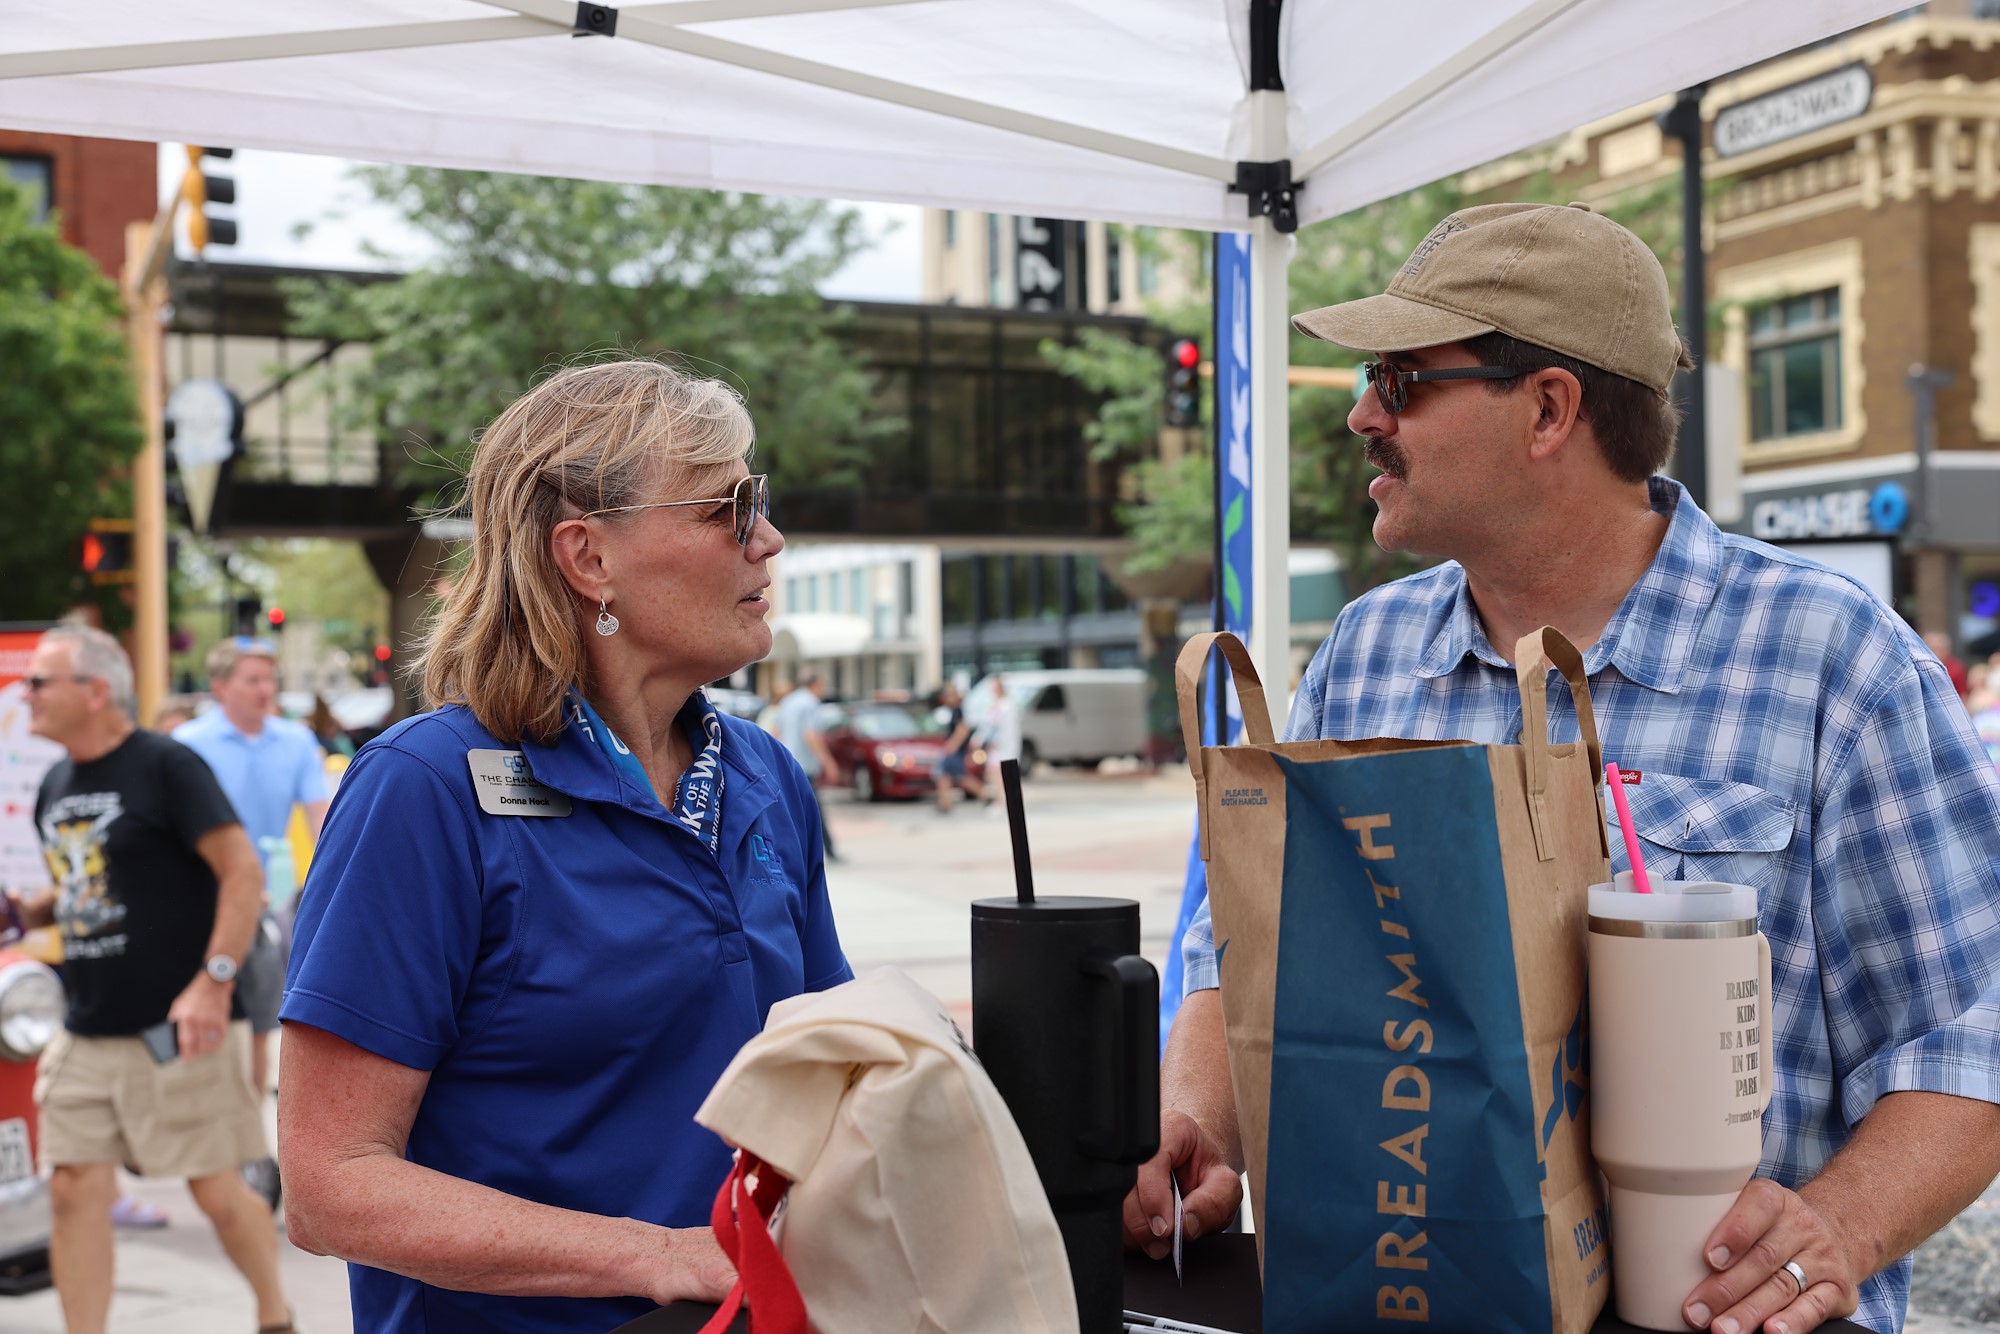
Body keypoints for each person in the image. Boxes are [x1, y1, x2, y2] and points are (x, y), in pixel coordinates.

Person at [1133, 204, 2000, 1334]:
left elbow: (1967, 1035)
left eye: (1398, 380)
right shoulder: (1362, 651)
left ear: (1548, 406)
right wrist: (1197, 1114)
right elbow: (1243, 943)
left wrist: (1839, 1223)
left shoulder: (1836, 658)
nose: (1358, 414)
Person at [277, 359, 852, 1333]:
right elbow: (331, 1184)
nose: (768, 537)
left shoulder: (762, 775)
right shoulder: (425, 788)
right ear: (588, 558)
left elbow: (833, 1070)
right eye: (727, 505)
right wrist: (657, 1253)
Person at [15, 624, 294, 1334]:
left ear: (96, 689)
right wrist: (27, 911)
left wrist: (214, 980)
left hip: (178, 1028)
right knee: (74, 1188)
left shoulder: (167, 767)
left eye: (42, 681)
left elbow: (242, 871)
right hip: (87, 1028)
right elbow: (89, 884)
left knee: (217, 1191)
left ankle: (274, 1313)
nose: (27, 692)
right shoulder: (57, 781)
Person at [175, 637, 330, 1211]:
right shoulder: (187, 746)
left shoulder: (295, 741)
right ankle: (198, 1137)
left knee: (263, 1025)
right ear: (219, 688)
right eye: (252, 680)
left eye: (270, 679)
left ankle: (248, 1148)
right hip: (195, 906)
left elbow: (323, 825)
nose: (266, 690)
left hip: (261, 905)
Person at [774, 670, 841, 860]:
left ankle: (790, 852)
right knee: (814, 809)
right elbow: (811, 735)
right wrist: (828, 761)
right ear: (816, 685)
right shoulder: (810, 703)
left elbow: (775, 730)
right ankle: (827, 851)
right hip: (803, 766)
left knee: (791, 810)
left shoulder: (788, 701)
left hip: (787, 764)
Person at [931, 683, 983, 813]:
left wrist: (952, 745)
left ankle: (985, 795)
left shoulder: (957, 710)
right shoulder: (955, 710)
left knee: (960, 777)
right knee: (945, 776)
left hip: (955, 752)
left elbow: (963, 729)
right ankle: (945, 803)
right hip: (955, 751)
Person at [974, 673, 1021, 800]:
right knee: (993, 773)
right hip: (994, 747)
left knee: (1002, 773)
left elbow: (1007, 729)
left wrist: (997, 741)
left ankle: (1003, 800)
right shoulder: (995, 705)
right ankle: (999, 799)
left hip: (1003, 747)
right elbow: (986, 725)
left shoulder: (1007, 706)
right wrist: (979, 739)